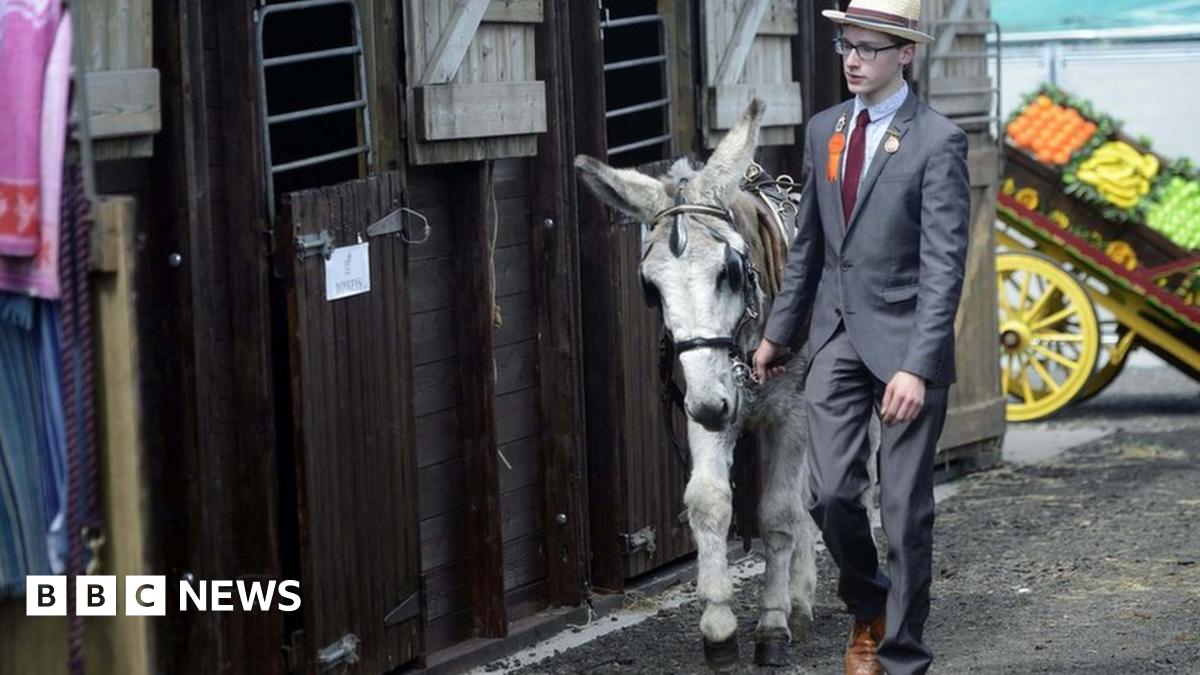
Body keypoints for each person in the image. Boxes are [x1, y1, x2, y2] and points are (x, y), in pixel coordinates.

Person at [752, 1, 971, 673]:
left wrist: (918, 365)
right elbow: (811, 246)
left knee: (903, 513)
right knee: (828, 494)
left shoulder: (938, 140)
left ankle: (900, 654)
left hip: (908, 343)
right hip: (836, 338)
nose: (853, 59)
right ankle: (868, 599)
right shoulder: (825, 130)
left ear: (905, 54)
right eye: (847, 45)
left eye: (869, 48)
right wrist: (777, 335)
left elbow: (944, 265)